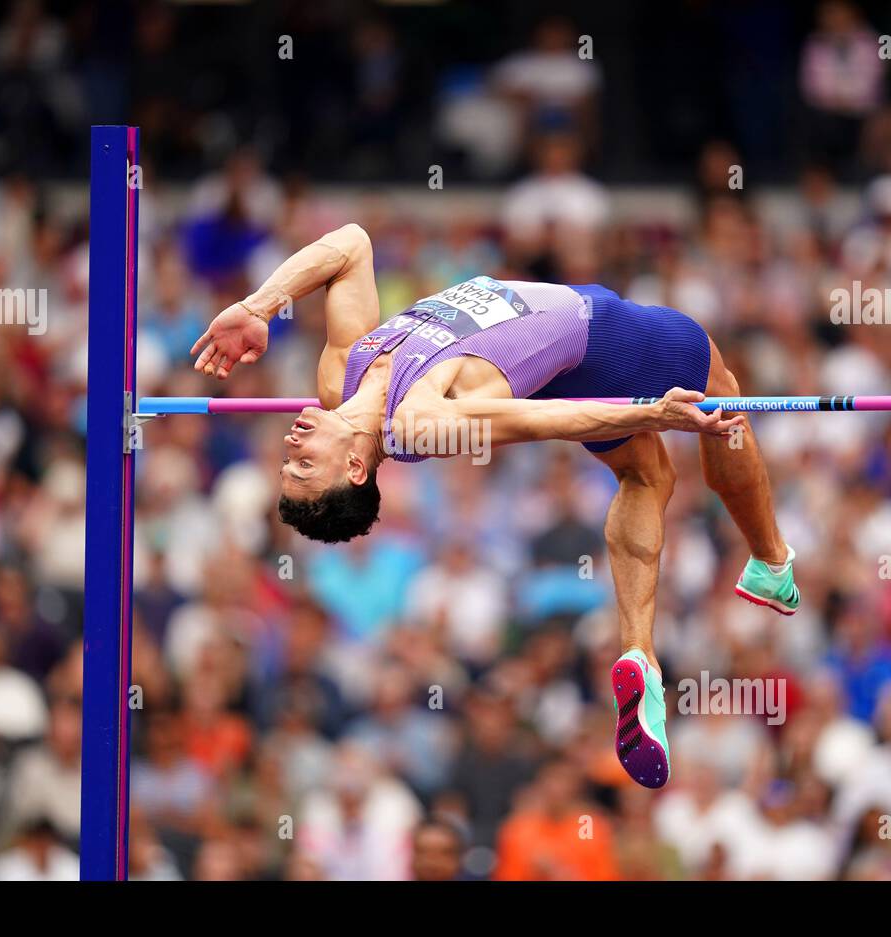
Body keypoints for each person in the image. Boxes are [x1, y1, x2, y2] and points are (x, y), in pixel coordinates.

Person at [190, 223, 799, 789]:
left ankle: (643, 656)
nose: (291, 447)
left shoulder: (340, 378)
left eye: (288, 463)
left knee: (645, 475)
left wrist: (256, 307)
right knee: (724, 398)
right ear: (354, 468)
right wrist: (651, 412)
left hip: (556, 362)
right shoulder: (419, 424)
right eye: (304, 466)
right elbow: (542, 422)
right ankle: (769, 561)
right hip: (599, 335)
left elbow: (350, 243)